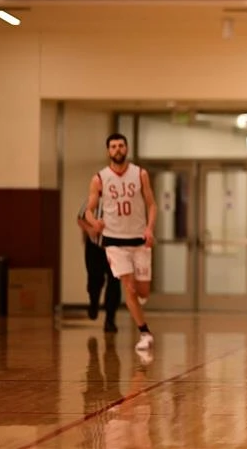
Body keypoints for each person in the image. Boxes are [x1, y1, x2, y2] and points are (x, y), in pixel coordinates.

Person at [85, 133, 157, 352]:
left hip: (138, 239)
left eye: (121, 145)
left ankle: (140, 298)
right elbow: (88, 209)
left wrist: (149, 229)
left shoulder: (140, 174)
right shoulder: (99, 178)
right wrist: (94, 222)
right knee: (129, 286)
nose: (117, 149)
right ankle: (144, 332)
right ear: (108, 150)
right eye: (113, 146)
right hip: (114, 241)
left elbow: (152, 204)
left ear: (126, 149)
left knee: (143, 291)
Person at [78, 196, 121, 333]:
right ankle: (94, 302)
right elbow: (80, 218)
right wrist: (89, 229)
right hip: (95, 246)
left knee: (114, 282)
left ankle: (110, 319)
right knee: (95, 279)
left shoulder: (124, 200)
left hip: (115, 247)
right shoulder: (94, 198)